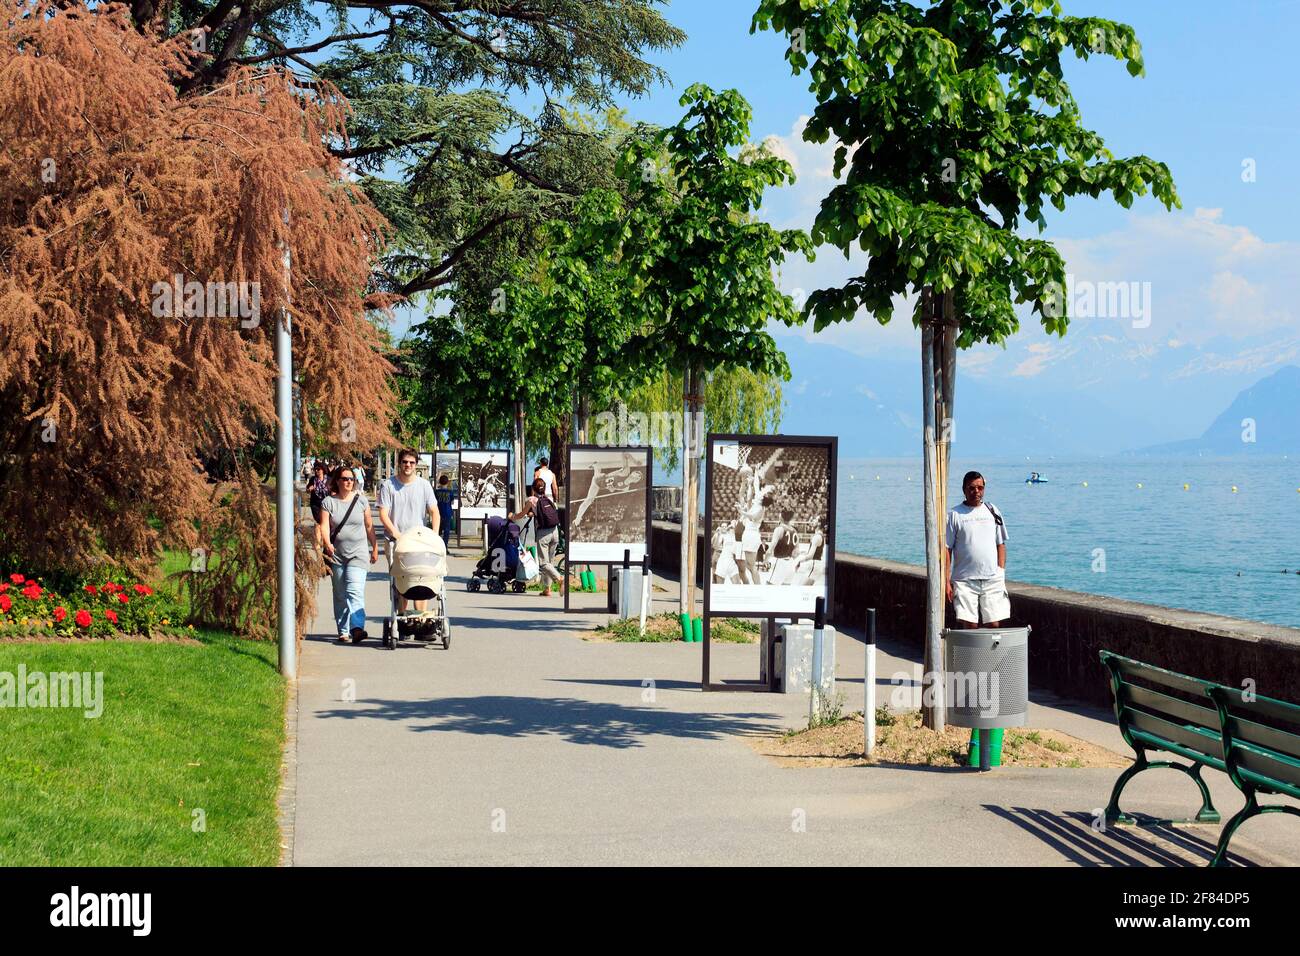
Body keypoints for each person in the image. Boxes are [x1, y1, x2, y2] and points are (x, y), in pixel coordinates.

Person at [318, 465, 378, 643]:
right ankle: (343, 630)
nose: (349, 482)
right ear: (337, 481)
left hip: (358, 554)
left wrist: (374, 547)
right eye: (345, 479)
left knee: (355, 591)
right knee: (340, 593)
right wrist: (327, 543)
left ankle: (357, 627)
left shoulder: (361, 501)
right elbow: (324, 525)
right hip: (336, 554)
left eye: (351, 479)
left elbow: (369, 526)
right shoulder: (329, 502)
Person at [945, 470, 1010, 628]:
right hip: (964, 580)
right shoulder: (954, 515)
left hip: (992, 579)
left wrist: (1001, 571)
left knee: (994, 624)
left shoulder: (992, 510)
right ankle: (971, 654)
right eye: (972, 488)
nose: (976, 491)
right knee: (970, 625)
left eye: (980, 487)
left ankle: (989, 654)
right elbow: (947, 550)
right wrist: (946, 581)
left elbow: (1000, 544)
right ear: (964, 490)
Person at [378, 448, 440, 613]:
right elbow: (383, 514)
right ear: (399, 463)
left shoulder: (424, 485)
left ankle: (421, 619)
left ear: (416, 465)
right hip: (396, 541)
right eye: (405, 462)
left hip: (419, 541)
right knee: (402, 579)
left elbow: (434, 511)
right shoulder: (388, 485)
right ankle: (401, 617)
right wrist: (396, 534)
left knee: (421, 578)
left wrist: (434, 535)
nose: (408, 465)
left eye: (411, 462)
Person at [510, 478, 563, 596]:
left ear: (533, 489)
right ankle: (547, 589)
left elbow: (521, 515)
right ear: (544, 488)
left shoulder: (531, 500)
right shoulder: (549, 499)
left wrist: (512, 516)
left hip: (543, 534)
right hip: (555, 532)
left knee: (544, 563)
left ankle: (559, 579)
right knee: (550, 562)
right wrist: (533, 513)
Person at [434, 474, 455, 548]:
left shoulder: (436, 492)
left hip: (438, 513)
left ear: (439, 482)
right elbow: (452, 502)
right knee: (446, 531)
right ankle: (444, 546)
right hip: (447, 513)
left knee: (438, 530)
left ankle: (437, 546)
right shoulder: (450, 492)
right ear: (447, 482)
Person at [308, 460, 330, 525]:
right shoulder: (313, 479)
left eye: (318, 469)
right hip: (315, 504)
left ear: (323, 470)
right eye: (315, 469)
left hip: (327, 504)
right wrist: (309, 489)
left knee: (326, 521)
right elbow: (307, 489)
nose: (316, 471)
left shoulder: (329, 480)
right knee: (320, 521)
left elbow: (333, 491)